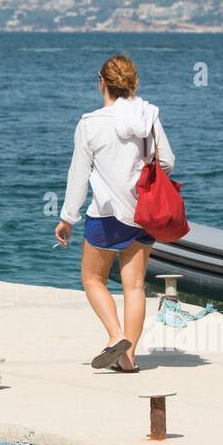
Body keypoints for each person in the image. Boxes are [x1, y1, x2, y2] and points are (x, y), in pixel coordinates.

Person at [56, 54, 175, 373]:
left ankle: (115, 336)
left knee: (92, 278)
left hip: (106, 213)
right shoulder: (149, 116)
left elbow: (78, 175)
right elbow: (168, 162)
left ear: (102, 83)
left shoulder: (90, 123)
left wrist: (68, 217)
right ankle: (129, 358)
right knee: (134, 286)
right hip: (143, 213)